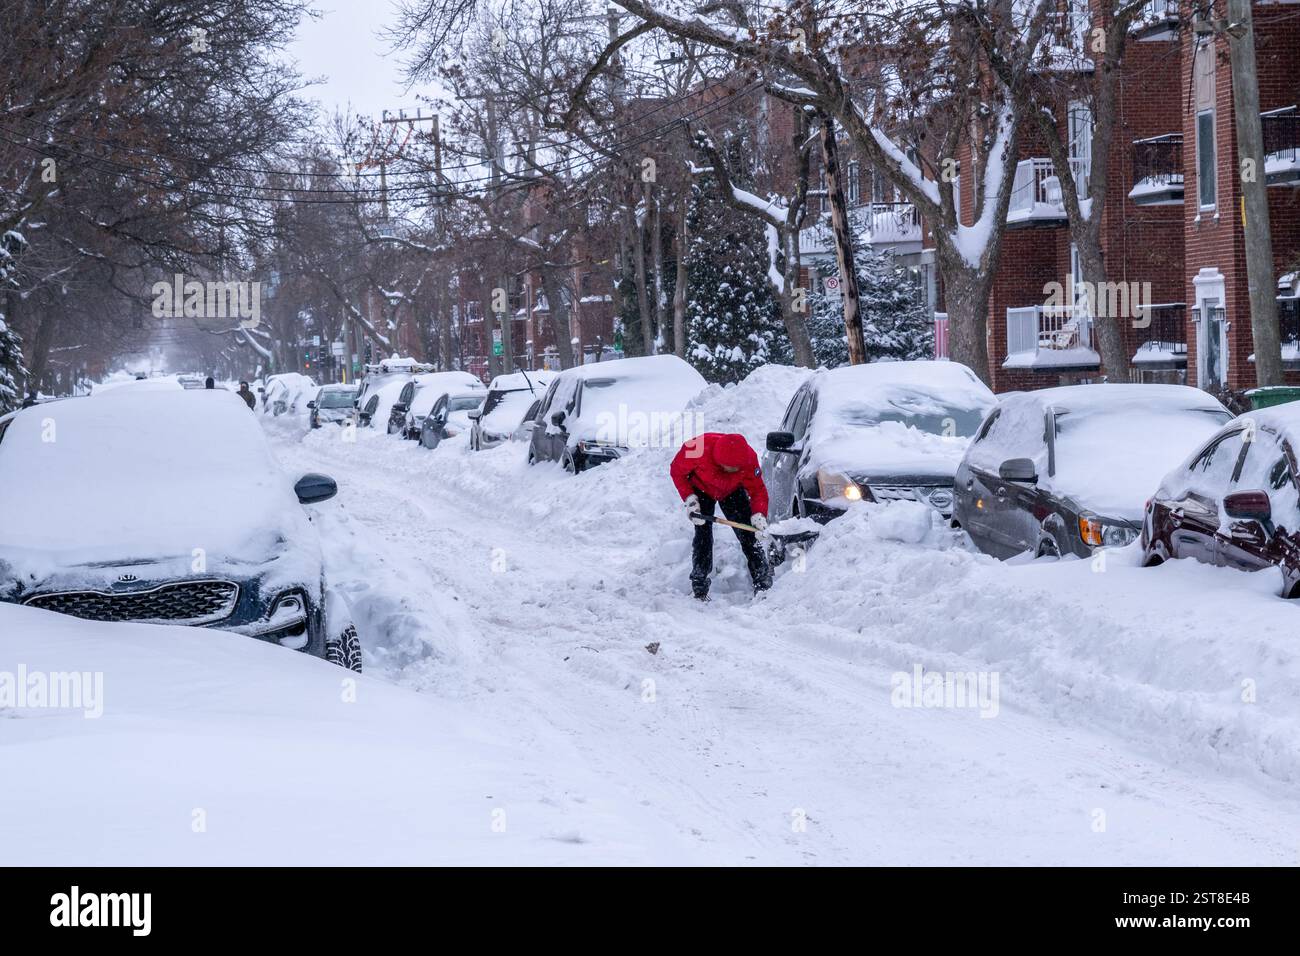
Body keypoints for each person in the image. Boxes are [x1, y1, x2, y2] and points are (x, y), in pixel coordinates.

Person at [669, 432, 772, 600]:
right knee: (703, 534)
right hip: (701, 488)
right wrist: (690, 499)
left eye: (735, 468)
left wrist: (759, 515)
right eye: (728, 467)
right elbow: (677, 471)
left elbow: (758, 490)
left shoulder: (748, 458)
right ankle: (699, 585)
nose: (732, 470)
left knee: (749, 534)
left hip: (732, 491)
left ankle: (762, 583)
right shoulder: (697, 448)